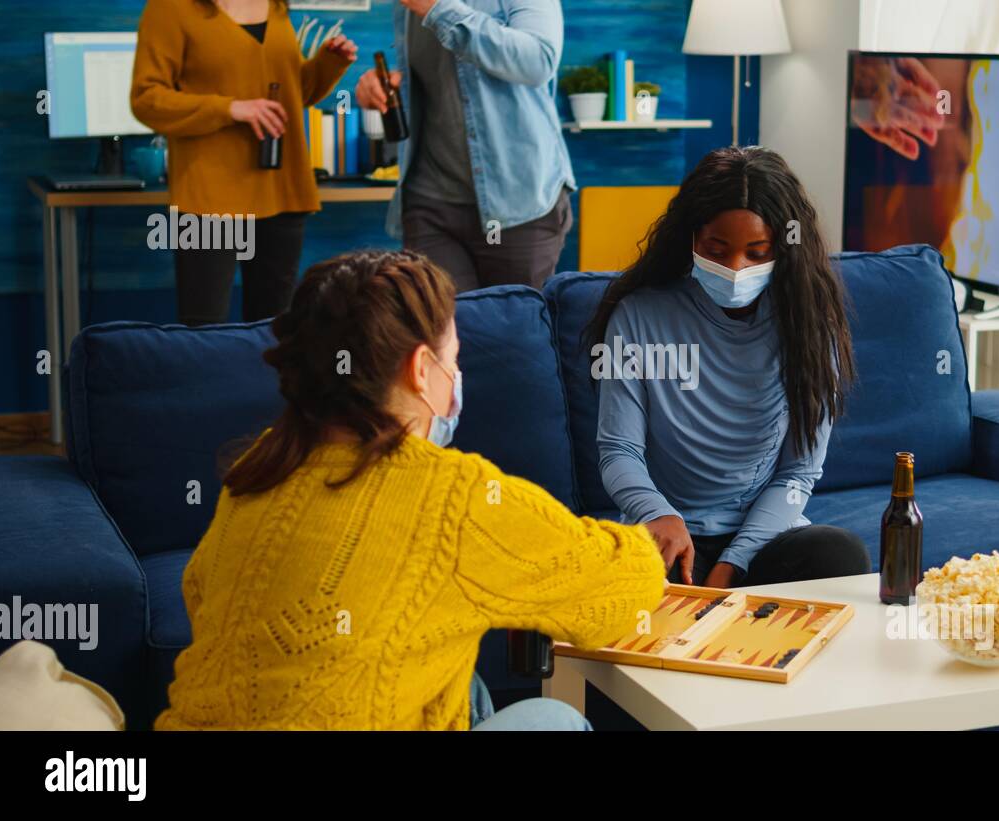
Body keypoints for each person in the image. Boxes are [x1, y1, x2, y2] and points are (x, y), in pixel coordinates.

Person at [155, 250, 664, 730]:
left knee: (462, 680)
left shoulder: (262, 463)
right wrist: (630, 536)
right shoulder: (451, 496)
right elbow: (624, 592)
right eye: (454, 359)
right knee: (557, 720)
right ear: (422, 369)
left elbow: (199, 592)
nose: (456, 377)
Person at [586, 146, 871, 590]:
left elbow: (798, 473)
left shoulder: (810, 327)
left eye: (756, 253)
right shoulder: (638, 316)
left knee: (839, 554)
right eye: (717, 250)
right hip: (667, 539)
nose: (735, 269)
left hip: (760, 542)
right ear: (692, 238)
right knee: (604, 579)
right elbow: (618, 450)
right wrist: (659, 514)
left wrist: (733, 565)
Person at [131, 0, 357, 325]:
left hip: (281, 192)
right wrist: (230, 109)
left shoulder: (276, 7)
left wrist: (328, 65)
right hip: (208, 199)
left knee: (275, 332)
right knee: (204, 331)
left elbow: (290, 94)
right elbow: (146, 99)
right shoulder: (170, 9)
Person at [354, 0, 574, 292]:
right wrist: (381, 88)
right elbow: (442, 82)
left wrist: (438, 9)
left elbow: (539, 60)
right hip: (430, 203)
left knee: (512, 330)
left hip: (516, 202)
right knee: (440, 326)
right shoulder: (406, 7)